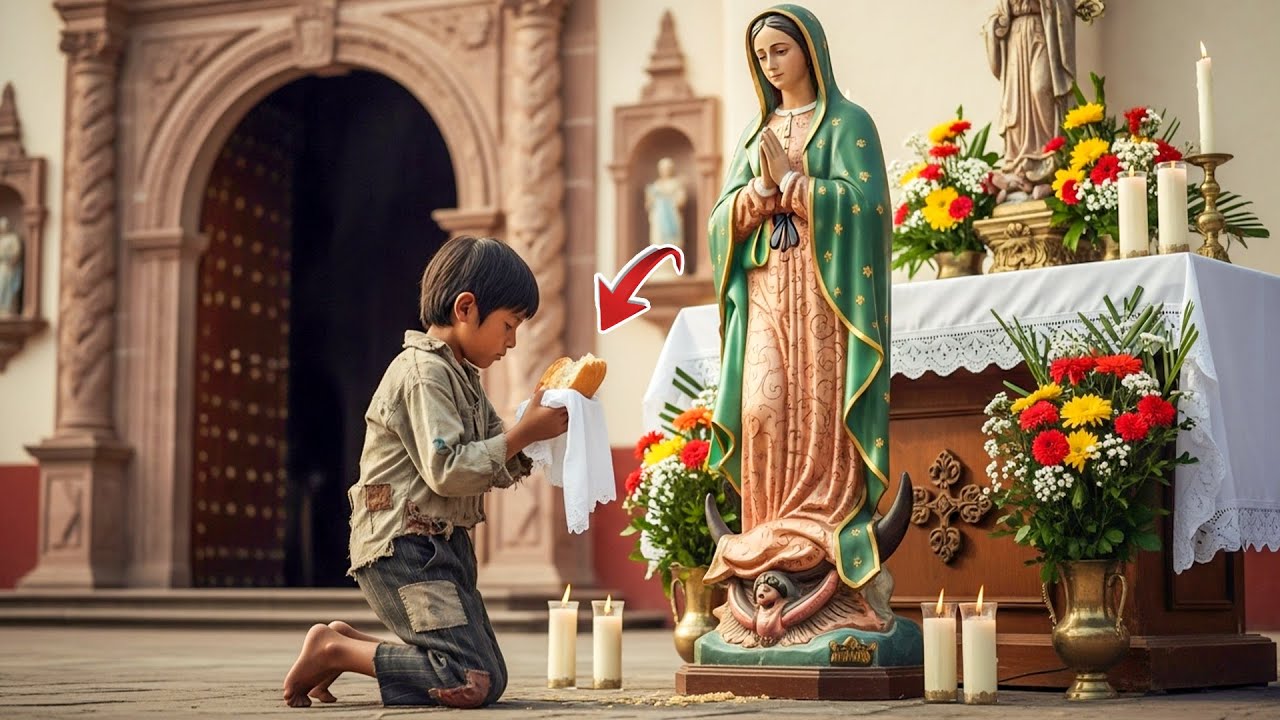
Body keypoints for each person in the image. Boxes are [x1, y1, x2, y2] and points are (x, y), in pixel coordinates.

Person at [280, 236, 569, 708]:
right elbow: (449, 470)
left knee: (488, 678)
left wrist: (539, 429)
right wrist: (522, 434)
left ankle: (343, 642)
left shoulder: (464, 378)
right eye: (509, 325)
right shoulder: (422, 374)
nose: (512, 342)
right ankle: (334, 649)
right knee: (466, 678)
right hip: (404, 547)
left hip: (444, 548)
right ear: (466, 308)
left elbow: (494, 458)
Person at [705, 5, 896, 638]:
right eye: (761, 56)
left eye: (780, 50)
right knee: (762, 407)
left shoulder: (849, 123)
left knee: (816, 407)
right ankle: (764, 525)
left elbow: (866, 210)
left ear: (810, 51)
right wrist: (751, 201)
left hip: (822, 296)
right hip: (766, 290)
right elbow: (720, 221)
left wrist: (795, 184)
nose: (770, 63)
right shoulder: (754, 130)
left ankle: (823, 524)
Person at [985, 0, 1077, 198]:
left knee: (1041, 88)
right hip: (1014, 38)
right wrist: (995, 25)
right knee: (1015, 103)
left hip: (1042, 30)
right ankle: (1018, 170)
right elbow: (999, 13)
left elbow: (1065, 6)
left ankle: (1048, 164)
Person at [645, 157, 688, 248]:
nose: (665, 171)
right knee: (658, 242)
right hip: (658, 219)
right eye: (663, 169)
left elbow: (681, 200)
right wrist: (650, 199)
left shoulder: (676, 184)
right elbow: (649, 204)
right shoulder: (656, 185)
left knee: (673, 242)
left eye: (667, 168)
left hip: (672, 217)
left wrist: (668, 199)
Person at [0, 217, 21, 316]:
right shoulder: (1, 239)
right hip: (2, 265)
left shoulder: (13, 238)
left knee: (6, 284)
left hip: (9, 266)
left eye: (4, 226)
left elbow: (17, 252)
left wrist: (12, 260)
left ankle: (7, 307)